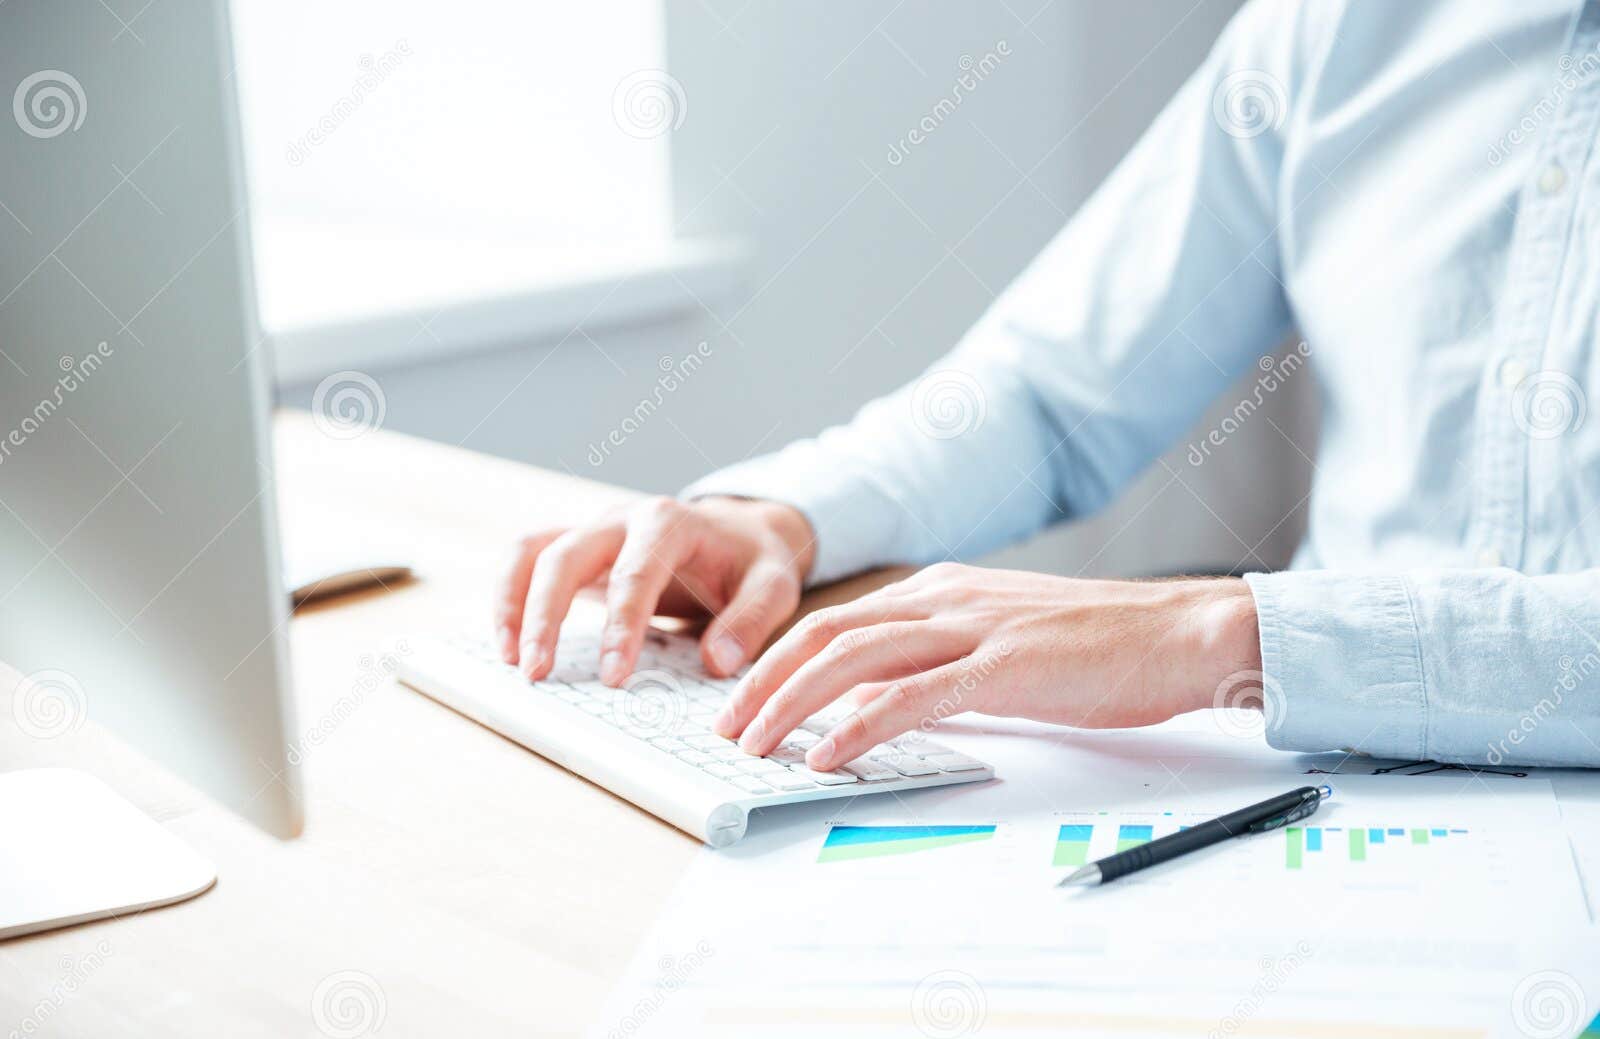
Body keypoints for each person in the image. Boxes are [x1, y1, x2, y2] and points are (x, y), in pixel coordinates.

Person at [497, 0, 1600, 774]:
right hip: (1326, 785)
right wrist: (787, 520)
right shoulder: (1335, 26)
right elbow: (1053, 391)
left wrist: (1230, 636)